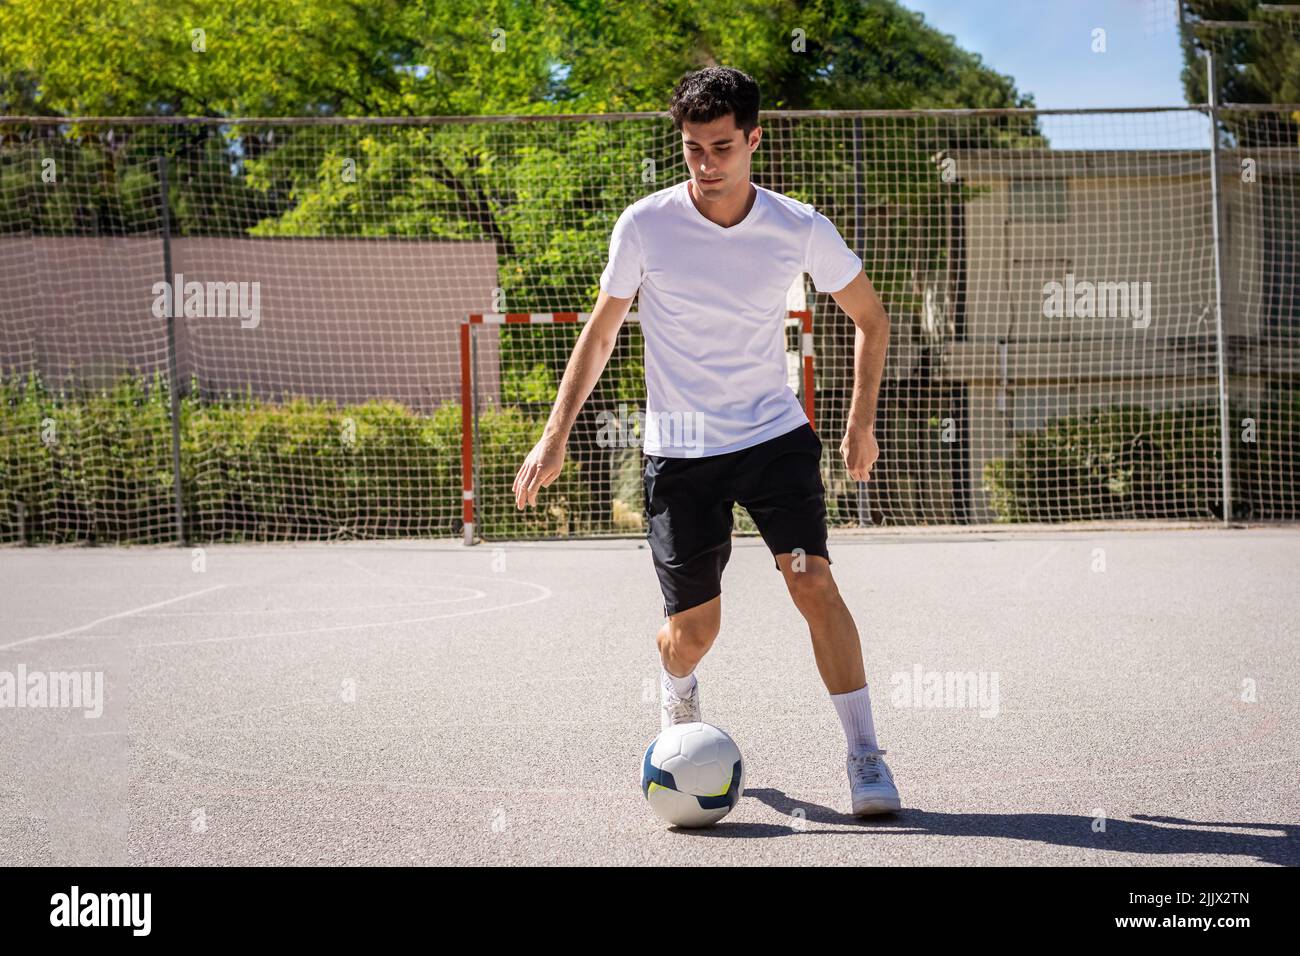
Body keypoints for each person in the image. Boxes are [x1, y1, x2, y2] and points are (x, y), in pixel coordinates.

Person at [512, 66, 900, 816]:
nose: (707, 164)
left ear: (754, 139)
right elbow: (599, 336)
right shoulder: (645, 225)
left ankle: (865, 756)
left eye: (722, 146)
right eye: (692, 148)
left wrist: (859, 422)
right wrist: (554, 436)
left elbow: (872, 317)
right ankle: (679, 693)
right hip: (681, 449)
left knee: (811, 581)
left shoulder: (798, 226)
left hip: (772, 437)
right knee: (694, 632)